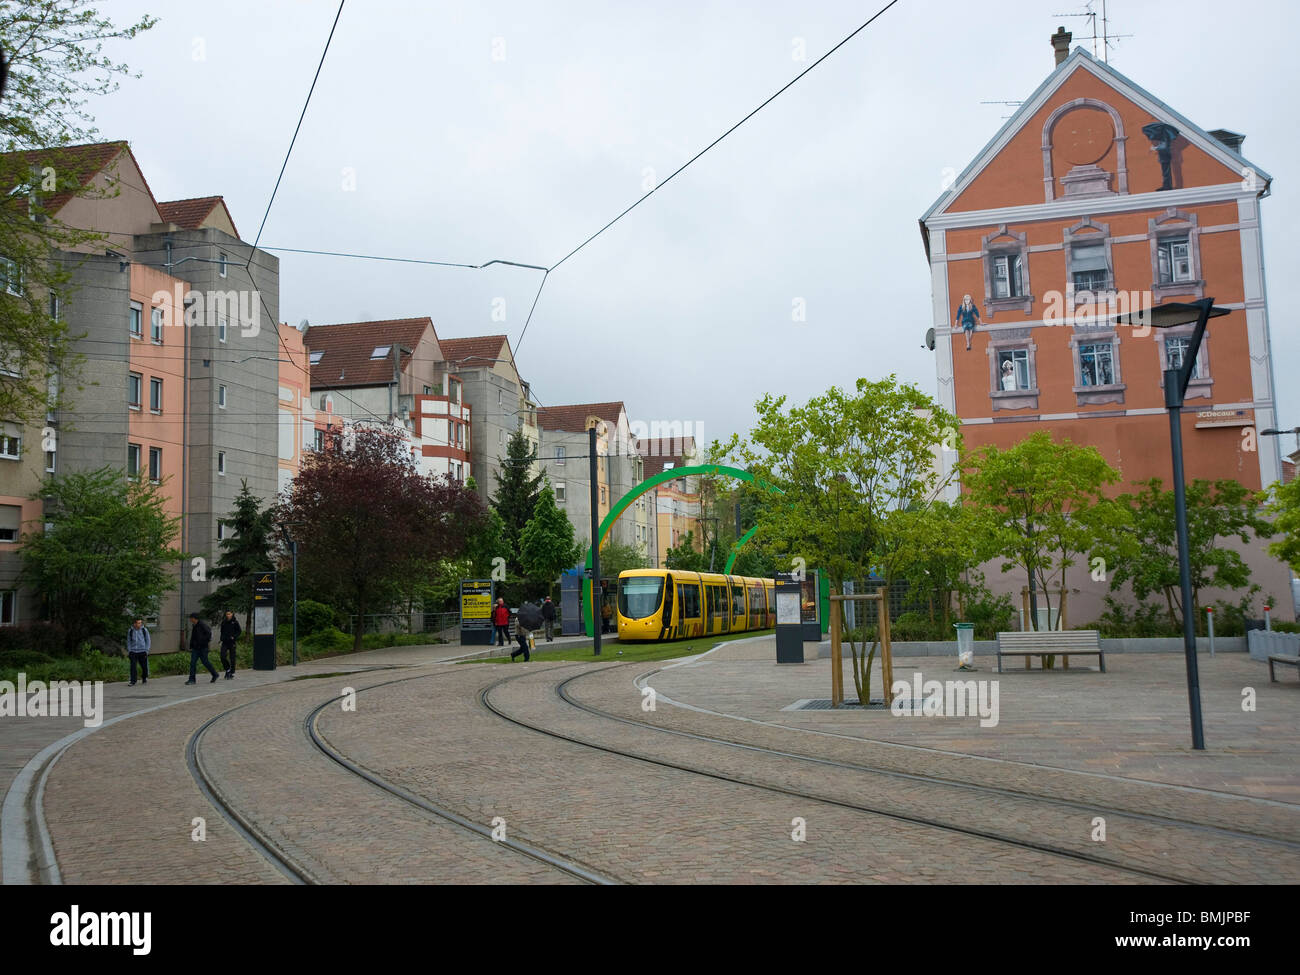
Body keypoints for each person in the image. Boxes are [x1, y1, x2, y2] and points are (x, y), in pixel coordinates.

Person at [186, 612, 219, 685]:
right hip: (195, 648)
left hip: (203, 648)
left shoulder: (202, 625)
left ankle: (215, 674)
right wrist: (192, 645)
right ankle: (192, 679)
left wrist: (203, 642)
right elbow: (193, 637)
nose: (190, 620)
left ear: (194, 618)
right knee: (192, 663)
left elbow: (209, 634)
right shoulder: (194, 626)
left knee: (205, 662)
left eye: (191, 618)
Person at [127, 617, 150, 686]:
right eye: (138, 623)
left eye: (140, 623)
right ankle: (133, 681)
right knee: (133, 667)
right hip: (133, 652)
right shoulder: (130, 631)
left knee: (144, 667)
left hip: (142, 651)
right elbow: (128, 641)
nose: (140, 624)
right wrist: (129, 650)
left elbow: (148, 640)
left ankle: (144, 677)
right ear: (134, 624)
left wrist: (146, 650)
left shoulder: (144, 630)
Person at [219, 610, 242, 680]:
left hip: (232, 642)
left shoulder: (235, 622)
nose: (228, 615)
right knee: (222, 656)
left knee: (232, 658)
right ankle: (228, 669)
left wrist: (234, 637)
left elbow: (239, 631)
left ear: (232, 614)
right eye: (227, 614)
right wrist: (221, 638)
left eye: (229, 614)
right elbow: (222, 631)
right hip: (225, 642)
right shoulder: (224, 622)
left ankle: (231, 672)